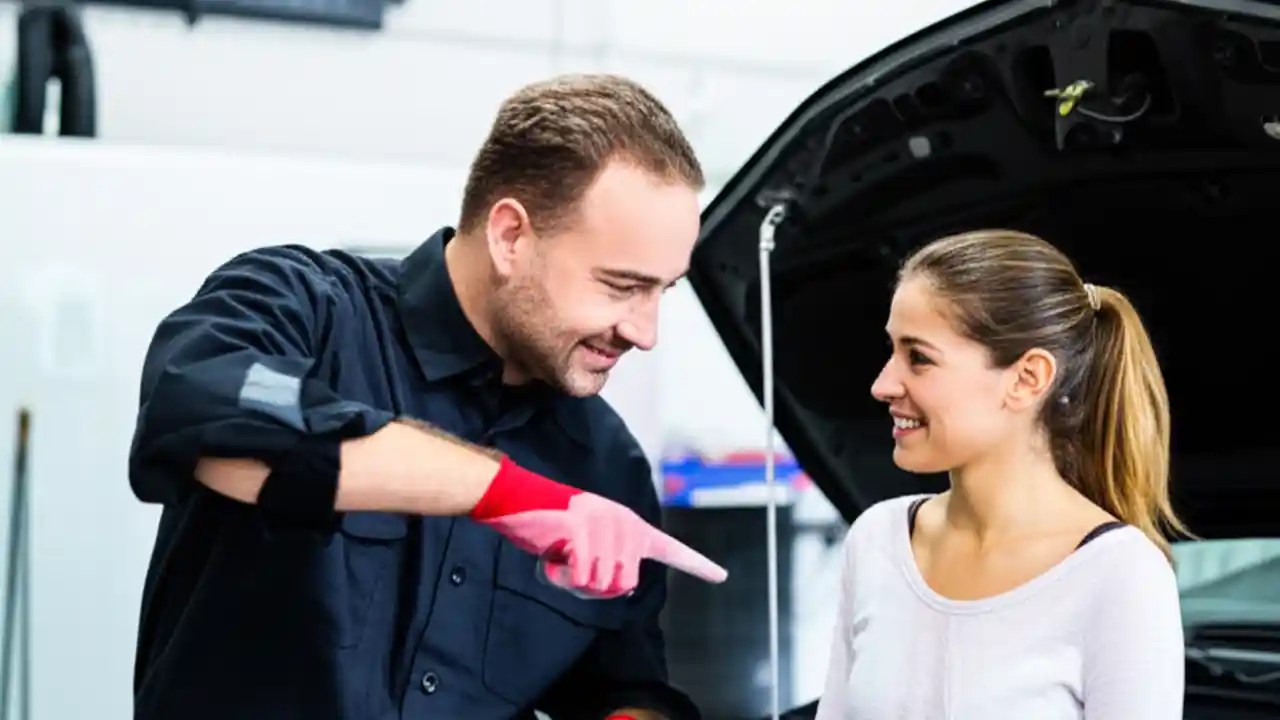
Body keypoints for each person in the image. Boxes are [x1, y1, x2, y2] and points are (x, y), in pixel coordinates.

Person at [127, 73, 727, 720]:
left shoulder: (607, 466)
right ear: (510, 237)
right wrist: (509, 496)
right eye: (620, 286)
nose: (645, 331)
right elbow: (207, 418)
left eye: (662, 291)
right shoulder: (304, 310)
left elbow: (624, 686)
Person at [814, 230, 1187, 719]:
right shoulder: (876, 540)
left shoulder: (1120, 574)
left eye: (919, 358)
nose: (883, 384)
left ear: (1026, 379)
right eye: (891, 350)